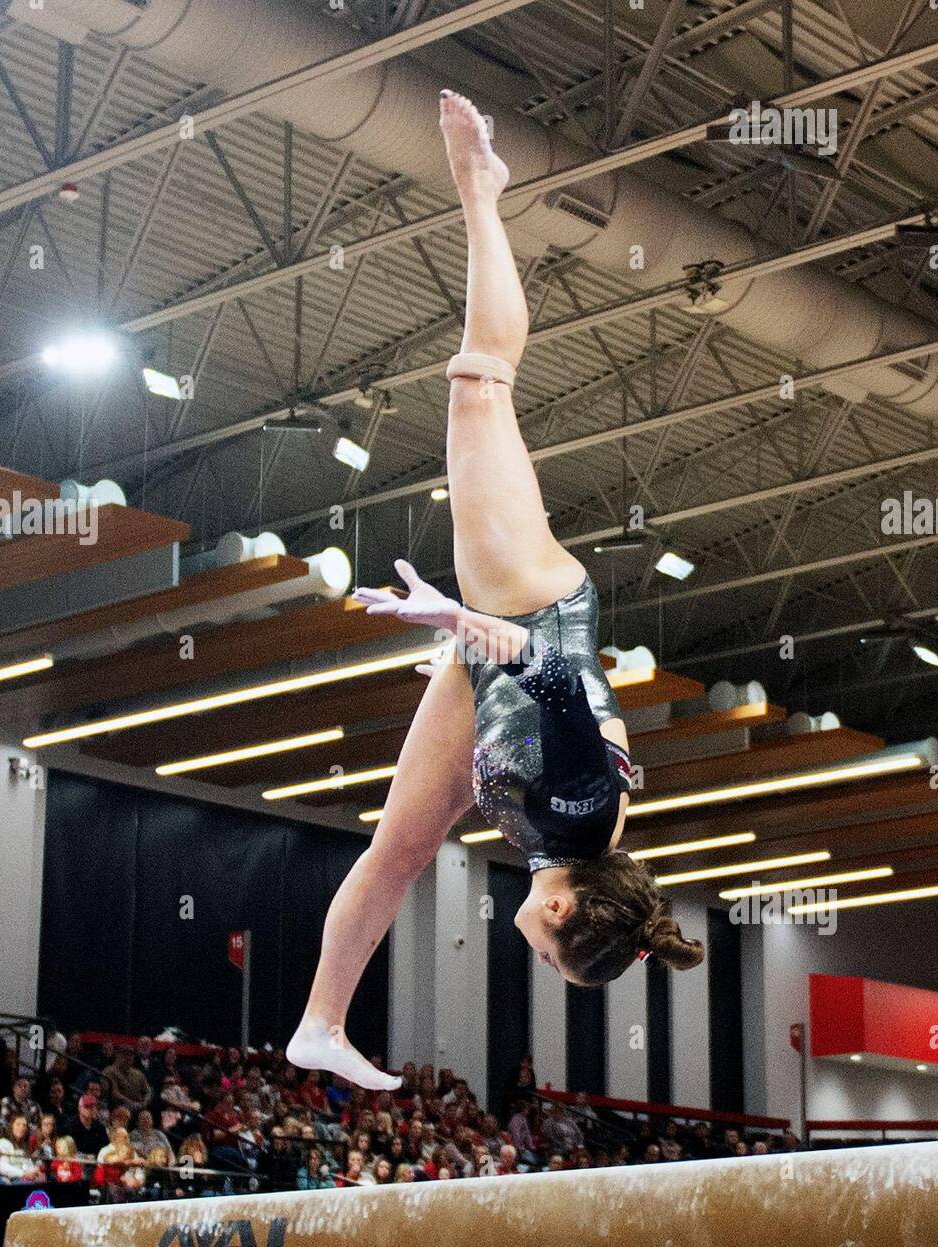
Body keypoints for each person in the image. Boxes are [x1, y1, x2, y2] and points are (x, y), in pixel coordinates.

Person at [287, 91, 703, 1090]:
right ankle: (480, 186)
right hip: (523, 605)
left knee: (395, 853)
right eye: (547, 955)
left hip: (483, 672)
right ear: (560, 913)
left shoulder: (560, 842)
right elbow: (557, 675)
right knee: (479, 383)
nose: (530, 949)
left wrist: (460, 641)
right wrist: (455, 618)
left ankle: (319, 1023)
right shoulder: (575, 812)